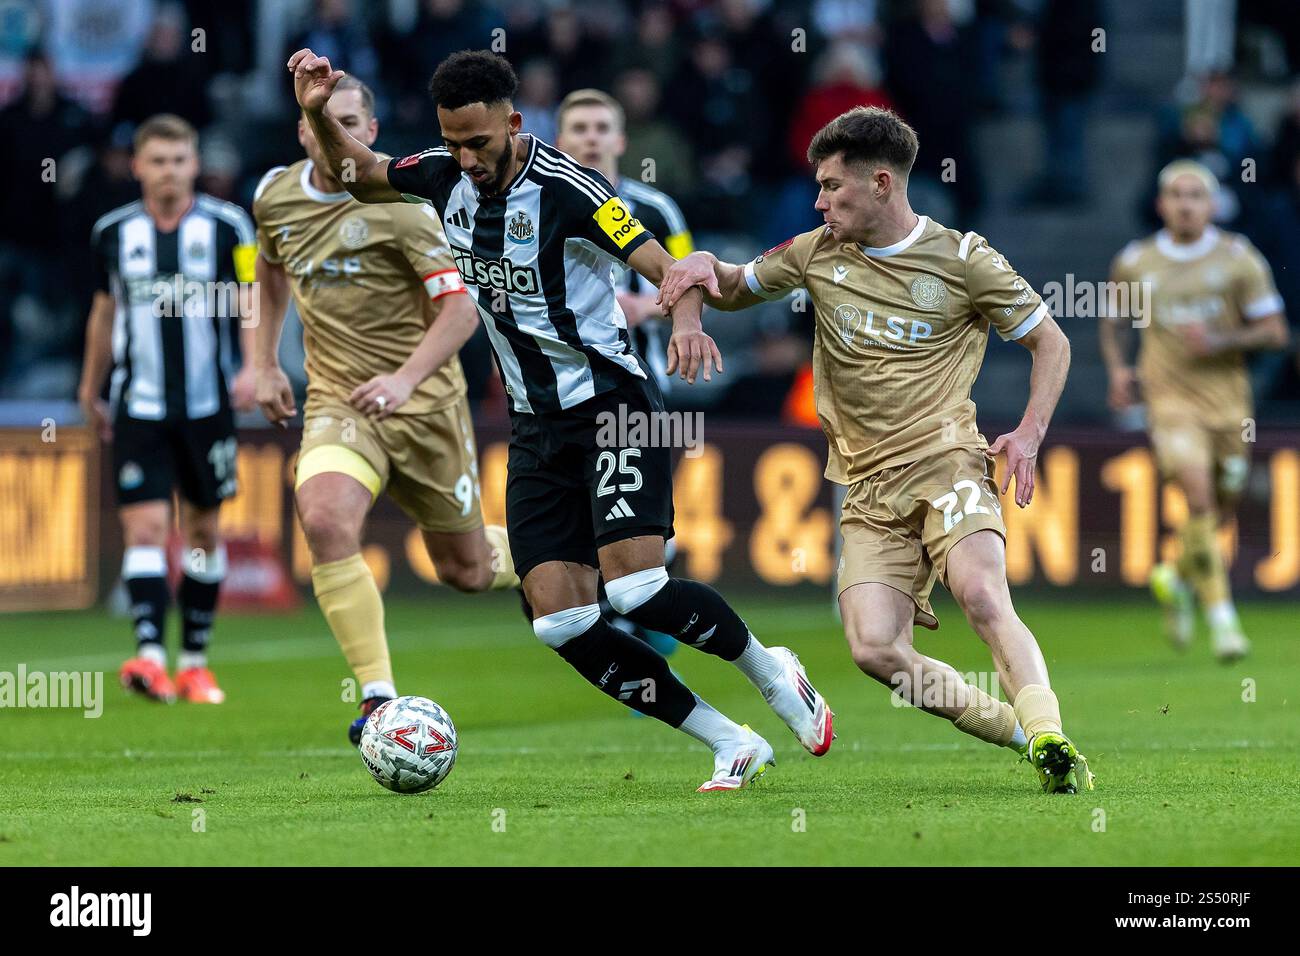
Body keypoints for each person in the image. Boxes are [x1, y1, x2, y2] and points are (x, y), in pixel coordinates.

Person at [288, 47, 834, 792]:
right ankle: (730, 740)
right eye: (453, 141)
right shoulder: (442, 176)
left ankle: (774, 675)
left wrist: (684, 322)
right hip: (536, 426)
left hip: (612, 407)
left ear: (513, 123)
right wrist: (317, 109)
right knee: (560, 623)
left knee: (637, 590)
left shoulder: (573, 190)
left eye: (478, 141)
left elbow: (668, 264)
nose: (466, 157)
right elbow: (358, 173)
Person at [658, 106, 1093, 794]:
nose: (819, 200)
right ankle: (1021, 737)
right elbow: (725, 283)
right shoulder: (815, 253)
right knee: (874, 649)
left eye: (833, 186)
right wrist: (694, 291)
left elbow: (1051, 341)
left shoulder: (962, 259)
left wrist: (1031, 432)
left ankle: (1047, 727)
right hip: (865, 484)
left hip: (947, 460)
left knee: (982, 593)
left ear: (882, 183)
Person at [252, 75, 520, 744]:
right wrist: (260, 363)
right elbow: (269, 269)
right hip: (340, 400)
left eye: (347, 123)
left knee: (465, 571)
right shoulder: (273, 197)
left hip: (424, 405)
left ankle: (561, 550)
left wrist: (403, 380)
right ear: (301, 129)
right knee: (322, 516)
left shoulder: (405, 206)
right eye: (321, 122)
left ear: (369, 135)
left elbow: (460, 311)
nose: (331, 135)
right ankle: (378, 698)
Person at [78, 114, 257, 704]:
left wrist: (256, 367)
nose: (169, 172)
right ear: (137, 167)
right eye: (157, 160)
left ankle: (196, 662)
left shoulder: (230, 226)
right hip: (138, 406)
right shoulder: (112, 232)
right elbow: (105, 314)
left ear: (195, 163)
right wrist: (90, 387)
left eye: (179, 160)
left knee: (203, 529)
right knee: (147, 528)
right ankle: (151, 657)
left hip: (208, 406)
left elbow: (251, 299)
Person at [1101, 159, 1288, 660]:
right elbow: (1114, 320)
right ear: (1161, 204)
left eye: (1195, 196)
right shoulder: (1137, 261)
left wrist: (1222, 338)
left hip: (1229, 404)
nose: (1185, 205)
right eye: (1176, 196)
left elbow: (1275, 332)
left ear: (1212, 205)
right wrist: (1119, 370)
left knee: (1222, 502)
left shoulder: (1237, 259)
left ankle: (1177, 576)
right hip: (1170, 402)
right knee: (1201, 501)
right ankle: (1224, 622)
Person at [554, 87, 692, 658]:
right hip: (564, 390)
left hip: (640, 384)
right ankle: (625, 620)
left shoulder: (656, 210)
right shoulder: (539, 206)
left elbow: (690, 280)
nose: (590, 137)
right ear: (559, 140)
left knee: (635, 512)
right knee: (592, 510)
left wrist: (651, 306)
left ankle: (644, 619)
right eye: (579, 127)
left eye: (600, 127)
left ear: (620, 139)